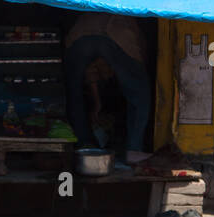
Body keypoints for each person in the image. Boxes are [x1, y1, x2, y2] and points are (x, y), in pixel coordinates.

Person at [64, 12, 152, 164]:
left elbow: (91, 73)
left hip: (79, 36)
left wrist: (97, 104)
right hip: (116, 31)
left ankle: (84, 144)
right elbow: (134, 68)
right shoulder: (135, 32)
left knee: (74, 92)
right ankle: (134, 149)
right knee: (140, 93)